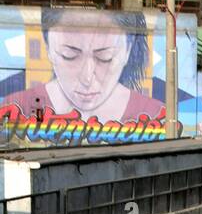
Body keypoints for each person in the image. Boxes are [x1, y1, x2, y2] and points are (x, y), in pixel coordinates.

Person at [2, 7, 165, 125]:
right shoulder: (16, 106)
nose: (87, 78)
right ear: (48, 48)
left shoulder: (157, 114)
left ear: (128, 51)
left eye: (105, 57)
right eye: (69, 55)